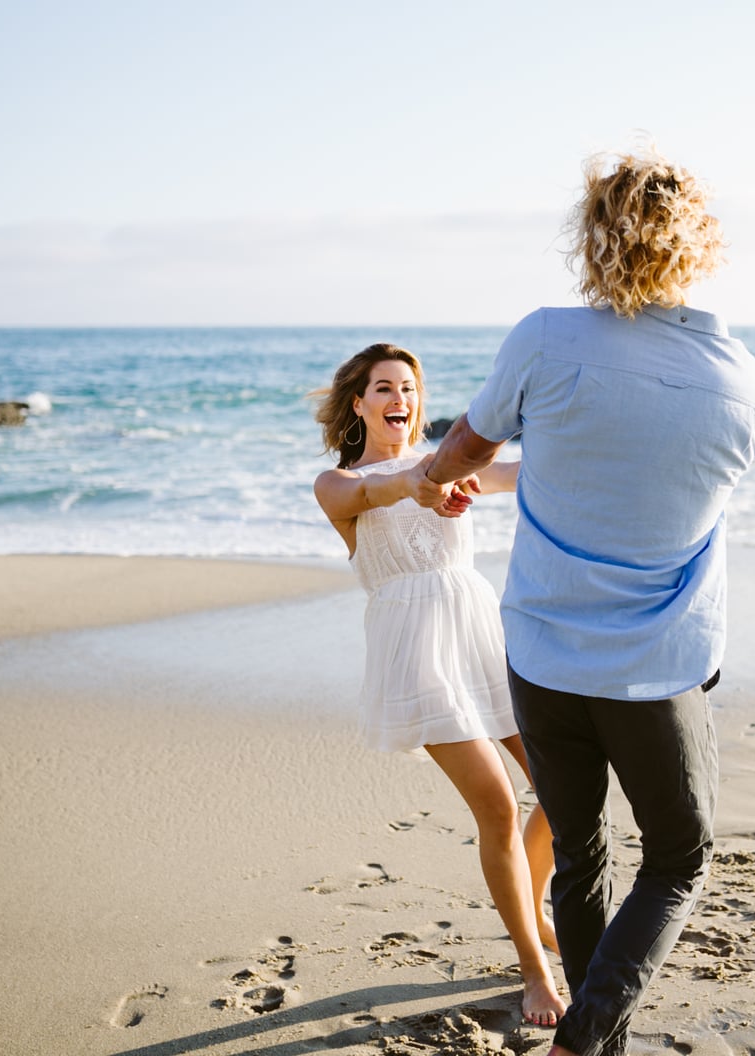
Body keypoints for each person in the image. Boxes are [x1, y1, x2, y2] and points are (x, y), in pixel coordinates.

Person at [406, 151, 755, 1056]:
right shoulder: (747, 387)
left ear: (594, 238)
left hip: (542, 651)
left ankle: (590, 1041)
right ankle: (582, 1042)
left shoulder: (545, 339)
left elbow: (466, 448)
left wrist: (434, 481)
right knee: (678, 859)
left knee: (581, 854)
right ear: (699, 244)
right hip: (659, 666)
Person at [311, 343, 565, 1027]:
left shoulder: (455, 466)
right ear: (359, 403)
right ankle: (533, 970)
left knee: (564, 789)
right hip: (417, 655)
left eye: (409, 388)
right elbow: (375, 492)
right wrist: (425, 480)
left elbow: (527, 472)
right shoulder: (336, 484)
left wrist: (587, 435)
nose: (400, 398)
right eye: (384, 388)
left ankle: (533, 906)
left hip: (482, 638)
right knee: (499, 808)